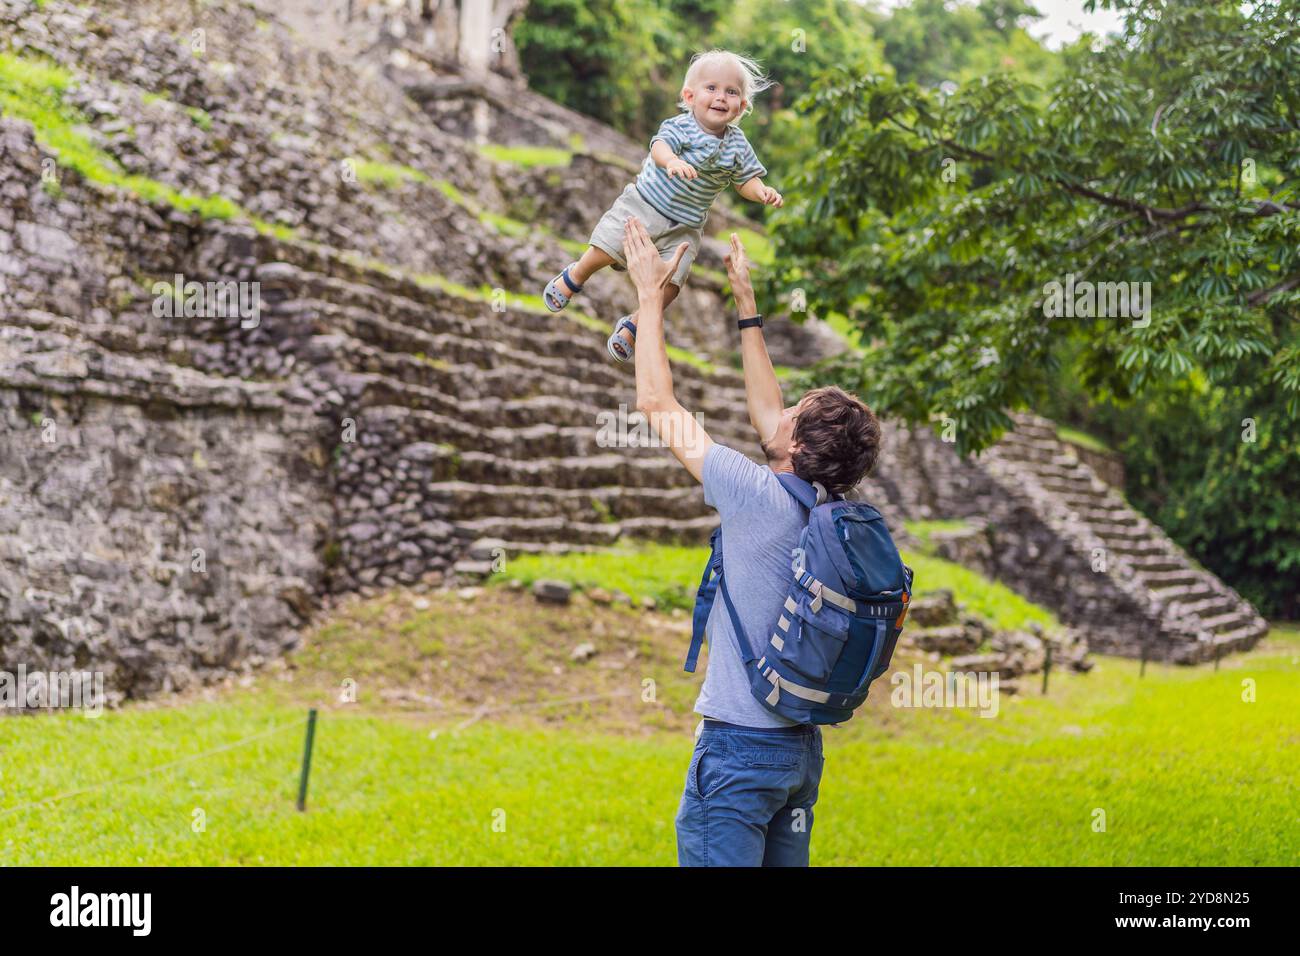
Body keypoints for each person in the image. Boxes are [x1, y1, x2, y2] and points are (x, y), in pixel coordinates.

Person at [620, 217, 884, 867]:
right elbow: (771, 420)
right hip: (796, 755)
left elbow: (656, 402)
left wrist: (650, 301)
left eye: (792, 414)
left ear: (797, 445)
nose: (778, 410)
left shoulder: (752, 494)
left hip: (737, 754)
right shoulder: (826, 513)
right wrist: (747, 309)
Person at [543, 50, 783, 363]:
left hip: (685, 227)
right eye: (711, 88)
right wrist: (672, 161)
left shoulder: (737, 144)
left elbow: (745, 180)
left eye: (731, 92)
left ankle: (634, 324)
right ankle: (575, 275)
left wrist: (762, 191)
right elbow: (659, 146)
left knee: (671, 282)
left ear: (742, 107)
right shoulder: (682, 126)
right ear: (690, 95)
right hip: (645, 205)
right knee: (607, 246)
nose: (721, 97)